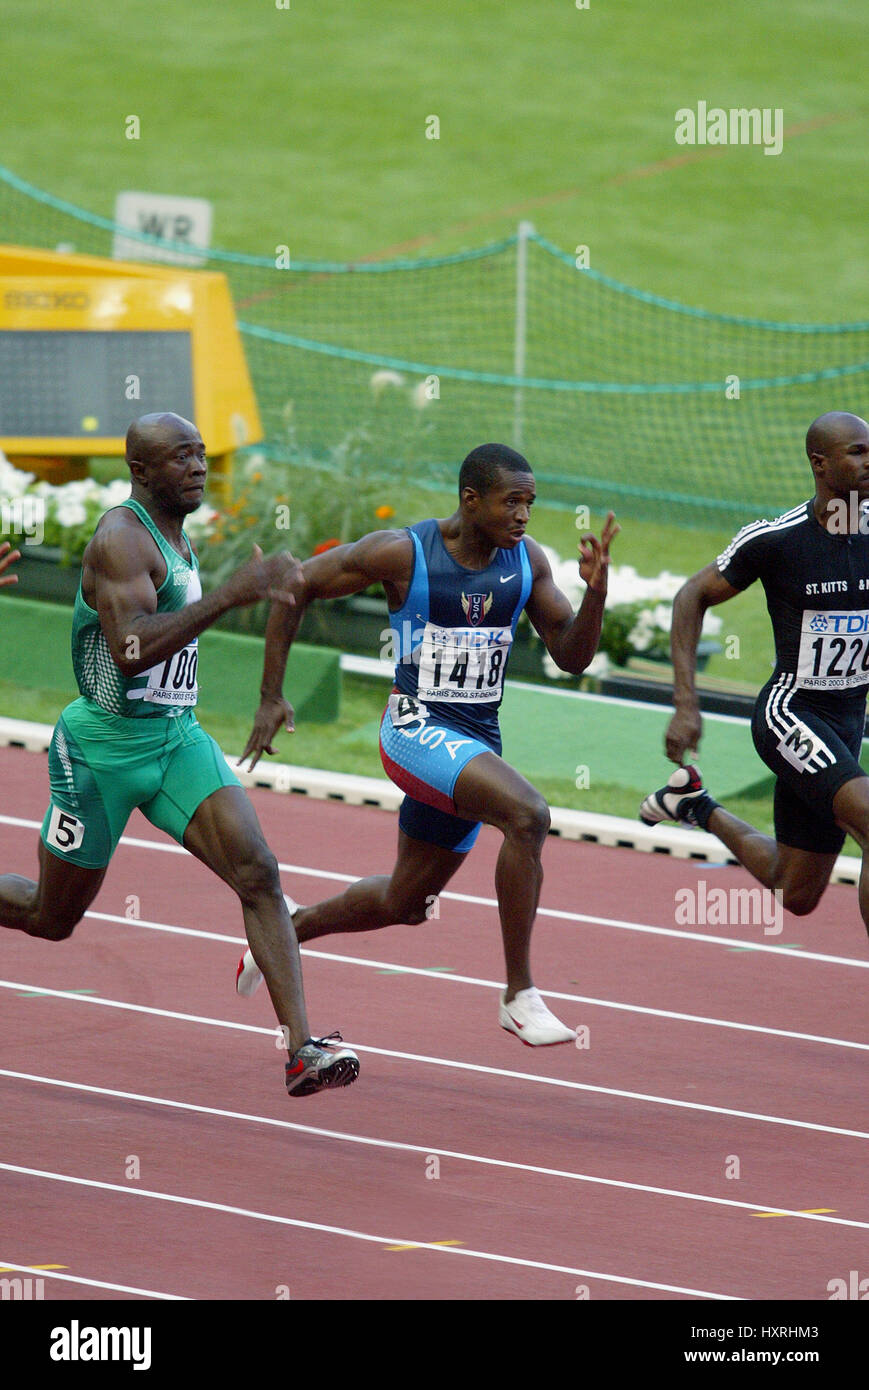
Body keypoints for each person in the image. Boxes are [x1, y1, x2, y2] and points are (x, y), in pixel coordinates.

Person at [0, 413, 358, 1097]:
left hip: (175, 737)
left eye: (199, 454)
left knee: (258, 869)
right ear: (141, 471)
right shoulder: (120, 540)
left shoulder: (176, 531)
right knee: (52, 918)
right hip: (101, 748)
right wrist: (231, 595)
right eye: (179, 457)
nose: (197, 467)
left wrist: (269, 688)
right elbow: (129, 649)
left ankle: (300, 1049)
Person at [238, 442, 619, 1044]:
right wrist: (270, 694)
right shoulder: (403, 553)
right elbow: (296, 585)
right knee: (528, 815)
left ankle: (287, 928)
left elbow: (572, 657)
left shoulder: (527, 563)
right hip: (414, 730)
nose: (523, 515)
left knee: (405, 900)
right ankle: (519, 995)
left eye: (530, 503)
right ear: (471, 500)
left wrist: (595, 594)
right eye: (510, 502)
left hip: (474, 742)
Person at [640, 411, 869, 940]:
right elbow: (691, 595)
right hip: (791, 713)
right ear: (819, 463)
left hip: (848, 719)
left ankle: (696, 805)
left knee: (796, 892)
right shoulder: (776, 540)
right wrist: (686, 704)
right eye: (856, 452)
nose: (868, 461)